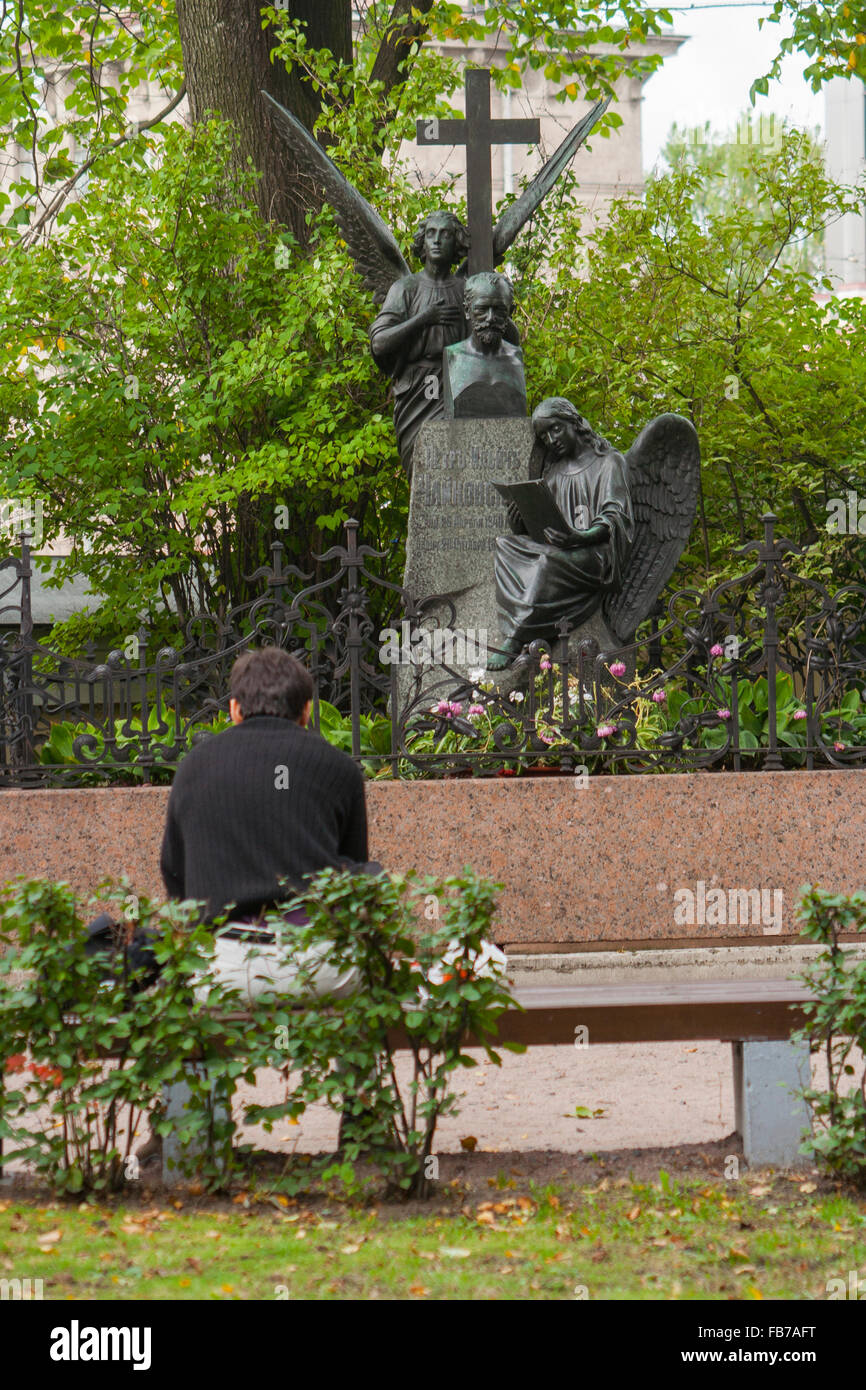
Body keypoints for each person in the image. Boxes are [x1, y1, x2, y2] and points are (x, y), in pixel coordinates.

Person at [159, 645, 371, 1003]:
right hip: (321, 968)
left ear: (234, 709)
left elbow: (174, 875)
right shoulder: (340, 768)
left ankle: (197, 1061)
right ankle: (350, 1060)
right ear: (306, 710)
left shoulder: (193, 767)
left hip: (223, 972)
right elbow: (353, 872)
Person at [489, 397, 634, 669]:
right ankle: (524, 621)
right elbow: (545, 521)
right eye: (544, 436)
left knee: (545, 562)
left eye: (555, 429)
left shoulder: (609, 462)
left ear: (574, 423)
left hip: (595, 552)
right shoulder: (554, 472)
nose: (551, 439)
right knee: (505, 545)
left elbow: (615, 516)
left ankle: (517, 636)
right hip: (562, 546)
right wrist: (518, 520)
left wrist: (580, 537)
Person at [442, 271, 526, 419]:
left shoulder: (516, 357)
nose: (490, 318)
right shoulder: (453, 357)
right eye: (482, 309)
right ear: (467, 311)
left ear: (510, 312)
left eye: (499, 310)